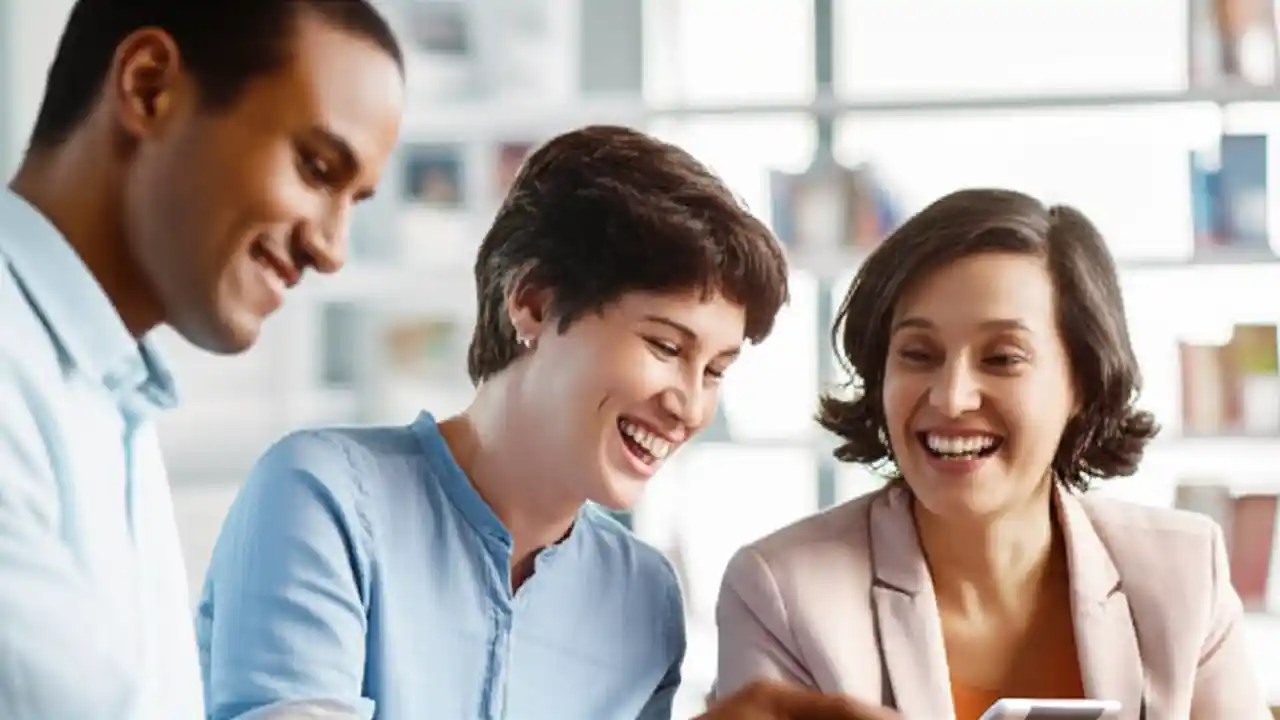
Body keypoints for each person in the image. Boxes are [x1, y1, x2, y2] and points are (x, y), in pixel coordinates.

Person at [196, 124, 894, 720]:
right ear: (531, 303)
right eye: (665, 346)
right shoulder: (326, 496)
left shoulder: (642, 597)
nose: (687, 404)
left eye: (714, 370)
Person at [713, 188, 1273, 720]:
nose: (952, 397)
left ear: (1081, 380)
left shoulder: (1184, 571)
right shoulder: (783, 590)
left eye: (1002, 358)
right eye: (917, 353)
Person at [0, 1, 405, 717]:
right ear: (150, 88)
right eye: (316, 168)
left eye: (355, 202)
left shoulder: (113, 402)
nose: (332, 249)